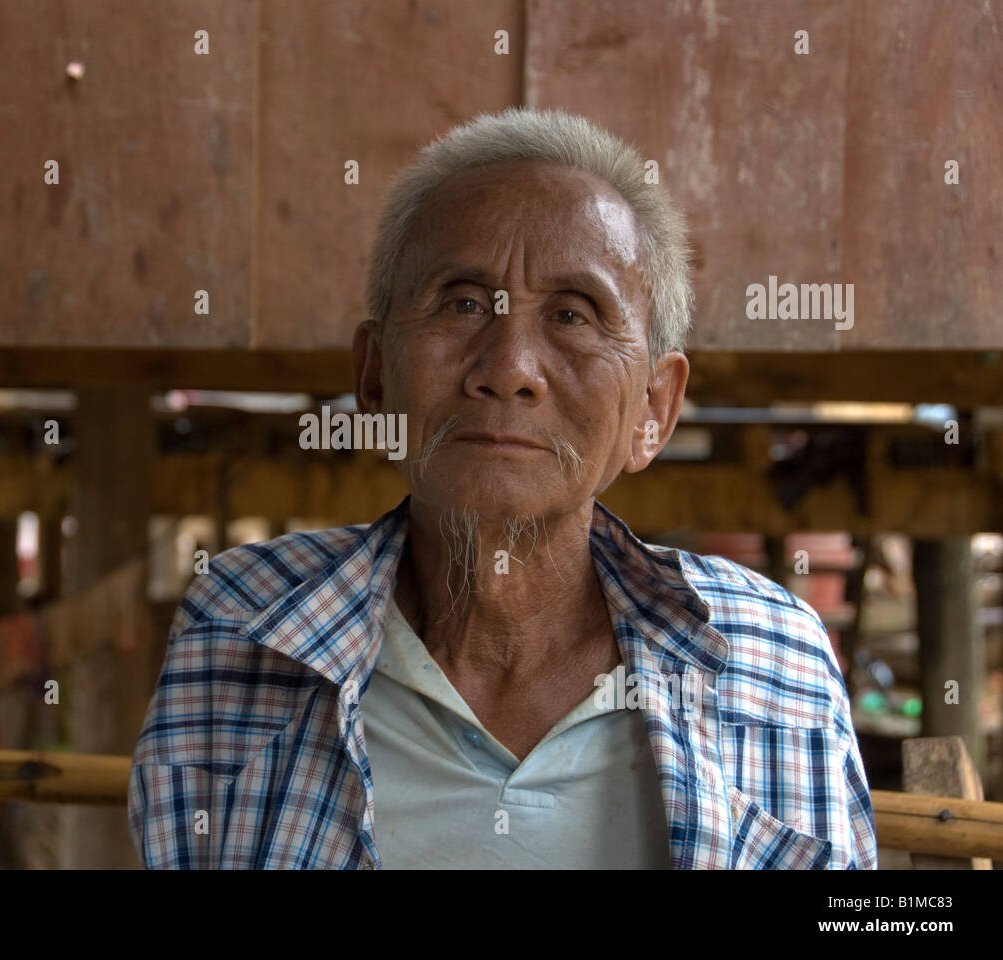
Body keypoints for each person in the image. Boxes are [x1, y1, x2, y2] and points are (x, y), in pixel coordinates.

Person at [128, 107, 877, 869]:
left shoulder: (772, 661)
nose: (508, 367)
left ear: (653, 410)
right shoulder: (243, 629)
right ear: (375, 374)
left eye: (572, 315)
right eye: (460, 303)